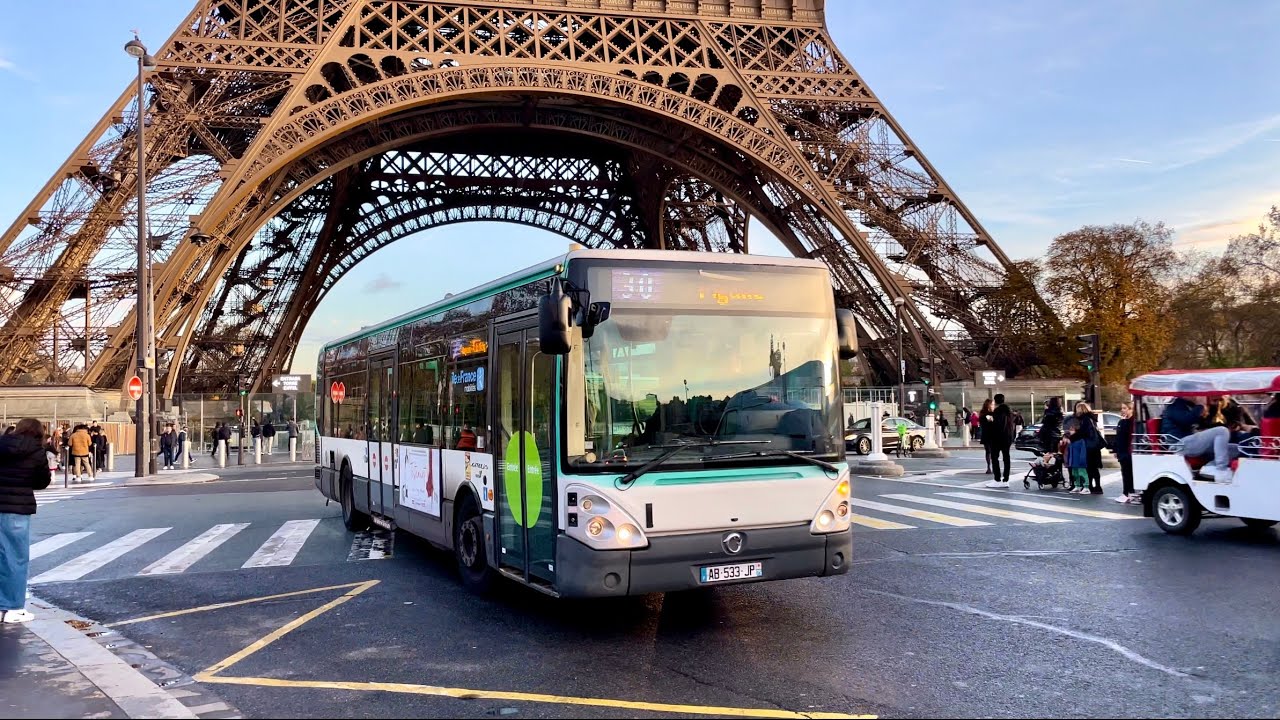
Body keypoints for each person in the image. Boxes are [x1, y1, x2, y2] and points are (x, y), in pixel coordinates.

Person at [0, 418, 54, 624]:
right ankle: (13, 607)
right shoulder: (37, 452)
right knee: (16, 558)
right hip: (17, 508)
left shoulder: (1, 444)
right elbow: (42, 481)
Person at [984, 394, 1016, 488]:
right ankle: (1006, 479)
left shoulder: (997, 411)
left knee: (995, 458)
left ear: (995, 401)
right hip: (1008, 437)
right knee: (1006, 458)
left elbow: (996, 424)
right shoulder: (1009, 411)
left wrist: (989, 420)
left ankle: (997, 479)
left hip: (997, 437)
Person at [1073, 402, 1105, 494]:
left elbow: (1083, 433)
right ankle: (1097, 486)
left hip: (1089, 447)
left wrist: (1072, 437)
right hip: (1094, 446)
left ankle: (1091, 486)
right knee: (1094, 468)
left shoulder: (1086, 419)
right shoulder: (1092, 418)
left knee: (1090, 467)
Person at [1113, 402, 1138, 503]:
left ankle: (1127, 493)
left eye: (1125, 408)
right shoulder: (1123, 422)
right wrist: (1115, 450)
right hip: (1123, 451)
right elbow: (1118, 438)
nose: (1122, 410)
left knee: (1128, 473)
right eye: (1122, 408)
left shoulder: (1130, 422)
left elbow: (1125, 437)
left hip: (1127, 451)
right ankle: (1129, 492)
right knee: (1126, 473)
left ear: (1131, 409)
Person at [977, 399, 995, 474]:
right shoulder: (988, 414)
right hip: (991, 434)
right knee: (992, 452)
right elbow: (993, 422)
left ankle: (989, 467)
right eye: (992, 404)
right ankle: (991, 467)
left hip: (986, 434)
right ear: (989, 405)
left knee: (988, 452)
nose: (993, 406)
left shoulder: (982, 413)